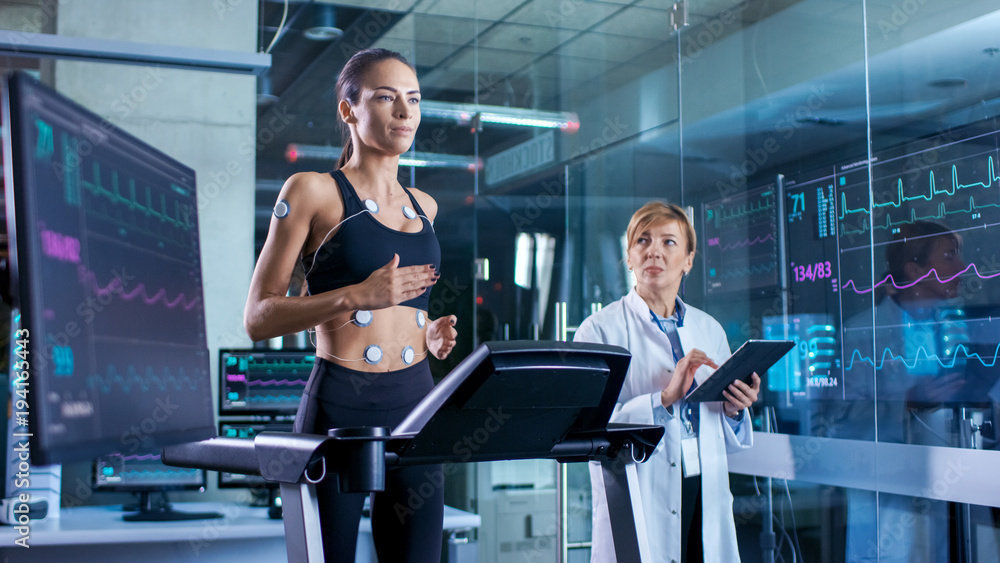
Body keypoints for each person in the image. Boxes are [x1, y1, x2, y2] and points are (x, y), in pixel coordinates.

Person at [243, 48, 458, 562]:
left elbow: (404, 307)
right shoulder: (314, 192)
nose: (405, 113)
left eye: (413, 99)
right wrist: (357, 296)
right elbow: (257, 317)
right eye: (386, 98)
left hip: (417, 404)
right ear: (349, 111)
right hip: (341, 404)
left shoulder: (424, 206)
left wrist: (427, 334)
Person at [573, 201, 759, 563]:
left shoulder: (709, 329)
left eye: (669, 242)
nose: (654, 251)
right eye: (643, 241)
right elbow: (585, 430)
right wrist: (664, 399)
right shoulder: (598, 331)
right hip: (641, 490)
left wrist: (735, 408)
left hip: (703, 488)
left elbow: (725, 435)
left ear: (689, 260)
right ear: (629, 257)